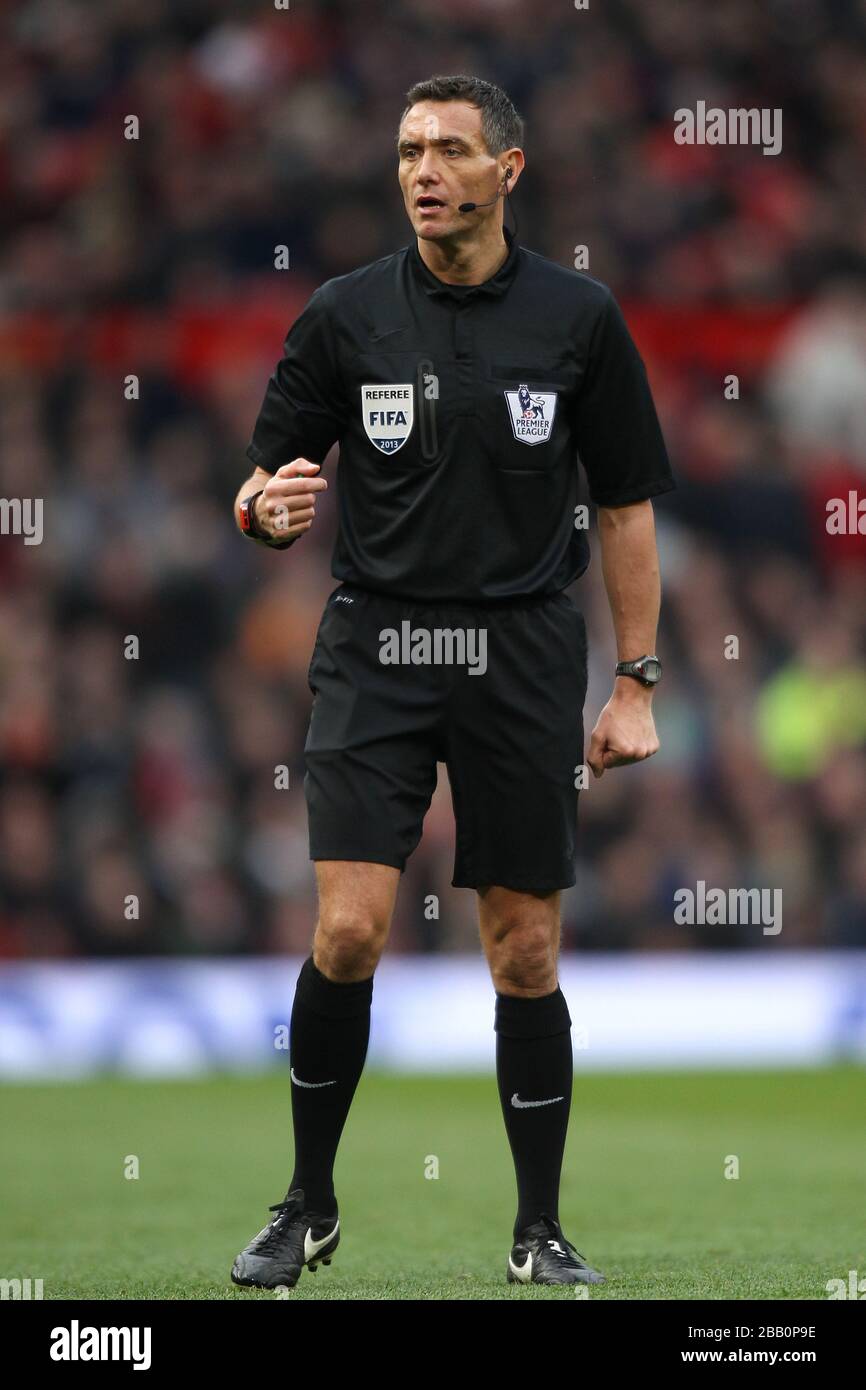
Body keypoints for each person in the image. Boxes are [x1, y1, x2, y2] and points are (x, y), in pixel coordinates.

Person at [231, 74, 674, 1290]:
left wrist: (633, 679)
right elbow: (264, 482)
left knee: (523, 949)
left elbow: (626, 505)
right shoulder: (342, 314)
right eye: (407, 150)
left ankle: (538, 1229)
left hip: (523, 649)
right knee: (348, 926)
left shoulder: (579, 319)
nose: (423, 170)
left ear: (507, 171)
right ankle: (306, 1202)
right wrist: (263, 510)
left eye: (449, 150)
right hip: (377, 643)